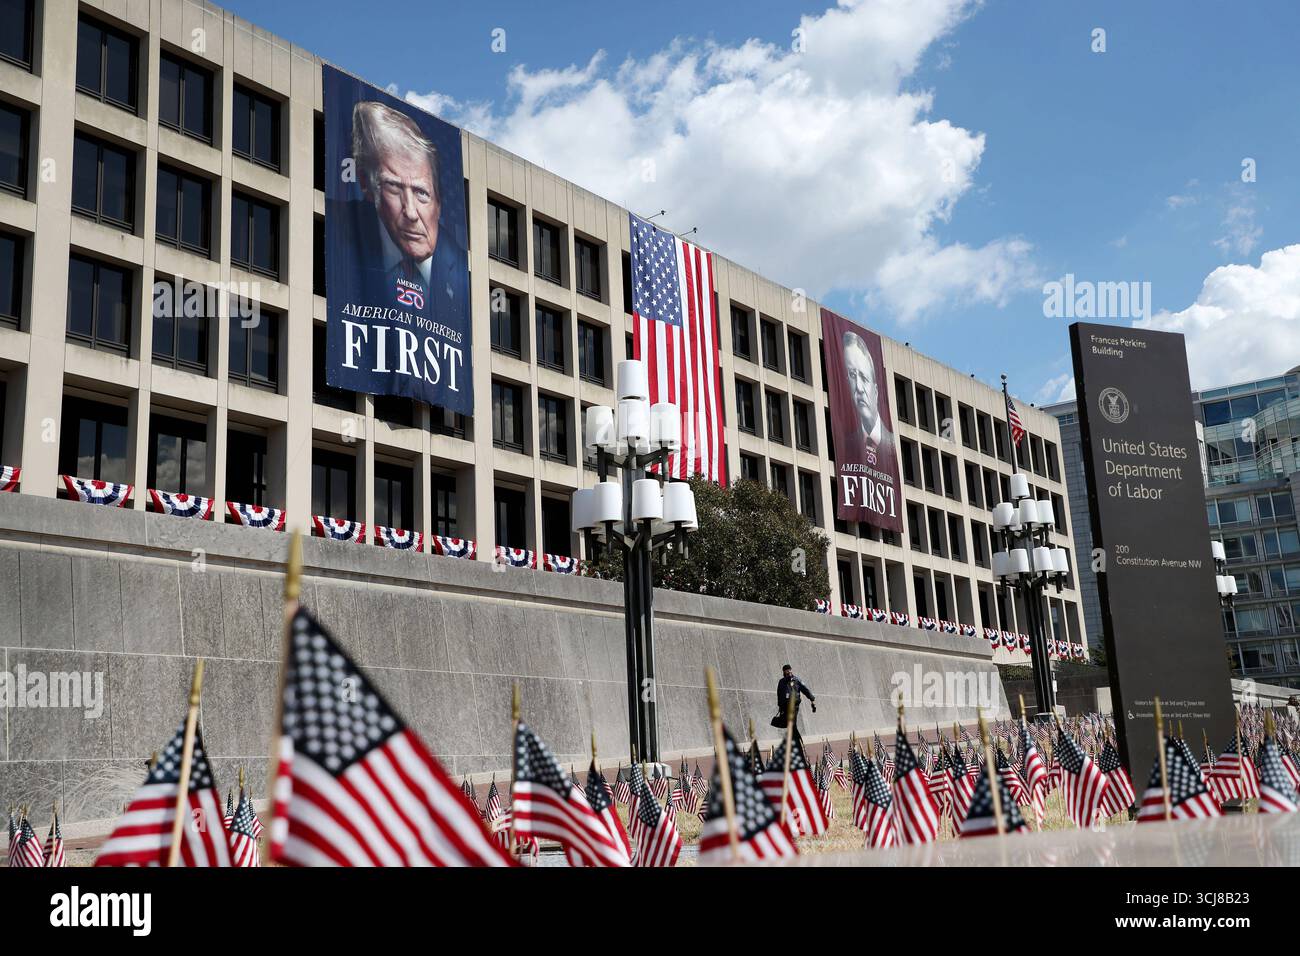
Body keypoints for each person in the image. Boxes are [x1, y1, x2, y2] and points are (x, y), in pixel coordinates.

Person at [841, 330, 894, 467]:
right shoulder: (846, 445)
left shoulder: (893, 445)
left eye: (864, 378)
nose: (858, 387)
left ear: (876, 391)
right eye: (852, 376)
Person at [774, 664, 816, 747]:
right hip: (785, 707)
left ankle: (798, 742)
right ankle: (796, 742)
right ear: (784, 671)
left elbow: (805, 689)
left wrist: (812, 699)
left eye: (790, 669)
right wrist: (780, 706)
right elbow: (779, 694)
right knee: (791, 725)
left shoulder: (797, 680)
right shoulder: (781, 682)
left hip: (794, 706)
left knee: (792, 724)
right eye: (787, 670)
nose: (789, 671)